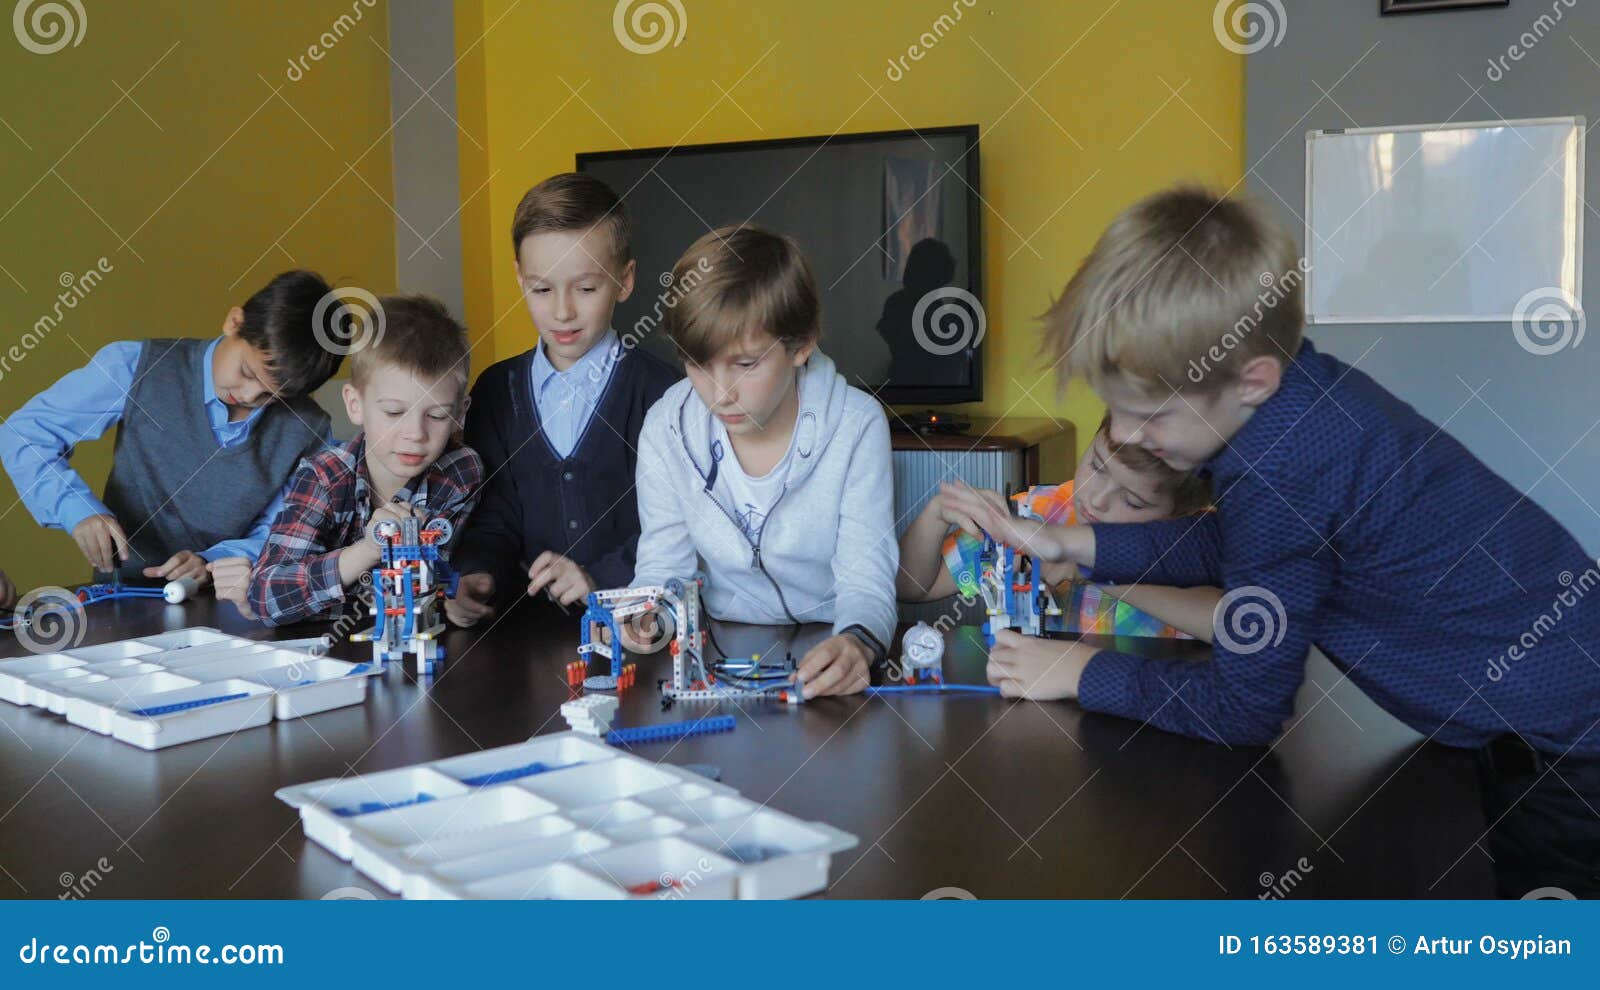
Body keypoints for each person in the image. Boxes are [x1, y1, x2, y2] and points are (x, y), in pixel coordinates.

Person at [943, 185, 1600, 898]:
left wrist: (1075, 670)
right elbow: (1238, 543)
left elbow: (1243, 711)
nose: (1128, 435)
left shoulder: (1286, 466)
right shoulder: (1300, 401)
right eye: (1117, 410)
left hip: (1561, 746)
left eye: (1151, 415)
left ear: (1252, 379)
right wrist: (1069, 544)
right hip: (1532, 708)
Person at [630, 225, 898, 699]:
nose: (719, 393)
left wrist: (858, 643)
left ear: (802, 345)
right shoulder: (665, 426)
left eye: (746, 364)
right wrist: (650, 617)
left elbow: (867, 578)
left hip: (827, 650)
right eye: (697, 363)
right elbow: (662, 567)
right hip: (721, 659)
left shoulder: (858, 424)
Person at [0, 271, 340, 589]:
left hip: (240, 607)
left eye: (272, 396)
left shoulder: (310, 430)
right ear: (234, 322)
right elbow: (25, 433)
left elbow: (289, 528)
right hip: (123, 603)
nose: (250, 396)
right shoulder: (137, 367)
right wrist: (76, 509)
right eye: (248, 373)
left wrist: (212, 562)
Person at [447, 172, 677, 626]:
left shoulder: (665, 393)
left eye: (586, 288)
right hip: (518, 645)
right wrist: (477, 573)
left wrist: (600, 579)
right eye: (542, 288)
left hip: (635, 634)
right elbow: (492, 516)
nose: (562, 311)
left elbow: (676, 528)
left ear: (625, 281)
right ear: (519, 278)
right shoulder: (495, 392)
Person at [238, 295, 481, 626]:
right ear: (355, 404)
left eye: (437, 415)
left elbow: (438, 582)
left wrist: (457, 597)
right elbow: (266, 598)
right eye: (394, 412)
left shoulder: (460, 472)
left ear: (459, 414)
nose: (415, 433)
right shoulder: (324, 476)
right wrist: (368, 549)